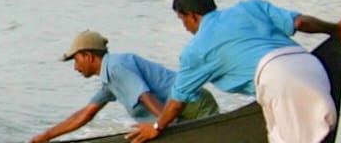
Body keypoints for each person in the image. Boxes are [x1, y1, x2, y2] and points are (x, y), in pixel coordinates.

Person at [127, 0, 341, 143]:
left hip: (278, 78)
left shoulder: (196, 50)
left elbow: (177, 102)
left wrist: (156, 128)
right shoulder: (250, 7)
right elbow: (300, 23)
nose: (185, 27)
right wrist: (338, 30)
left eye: (182, 20)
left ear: (192, 16)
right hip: (311, 66)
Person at [30, 30, 220, 143]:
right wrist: (46, 136)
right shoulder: (109, 80)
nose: (75, 67)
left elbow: (145, 96)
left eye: (76, 60)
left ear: (88, 56)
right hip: (180, 108)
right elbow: (85, 114)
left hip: (191, 104)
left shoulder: (116, 67)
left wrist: (161, 125)